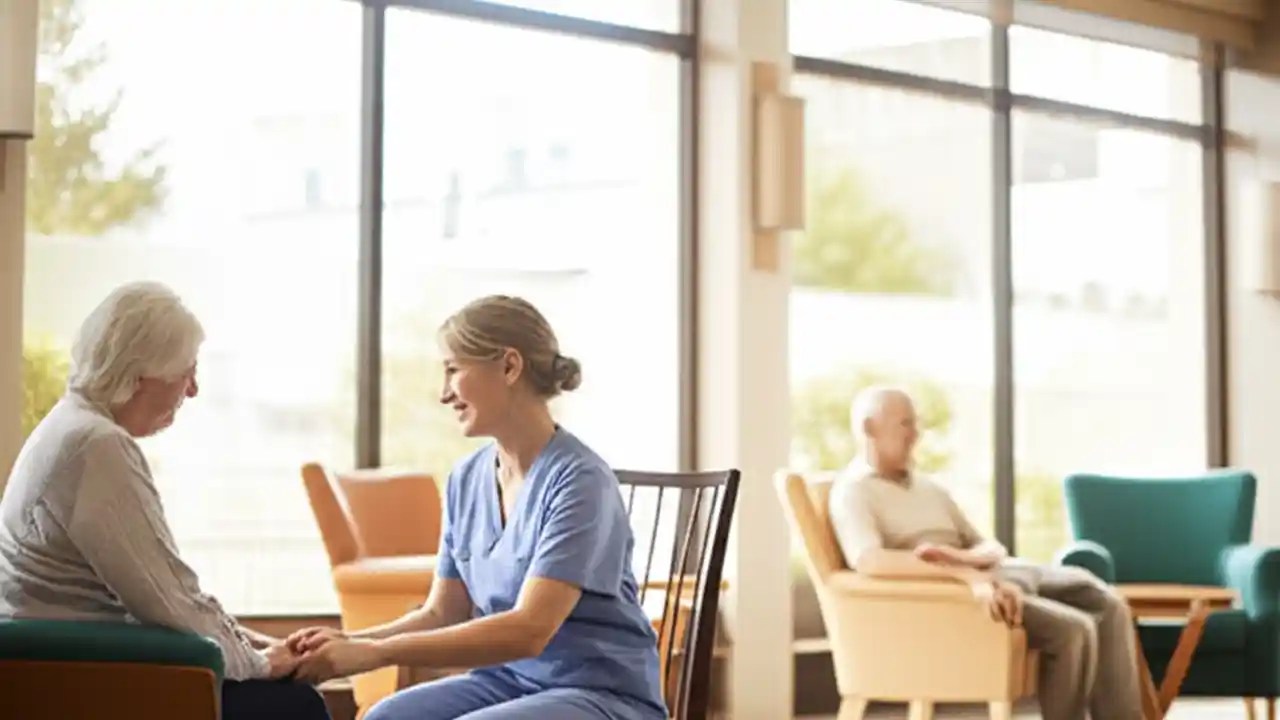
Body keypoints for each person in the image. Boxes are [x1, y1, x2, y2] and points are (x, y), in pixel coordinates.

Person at [287, 295, 666, 720]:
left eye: (453, 370)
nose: (443, 394)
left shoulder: (580, 481)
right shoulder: (466, 478)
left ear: (509, 366)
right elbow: (442, 612)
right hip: (507, 683)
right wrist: (348, 641)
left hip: (600, 693)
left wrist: (373, 653)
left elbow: (528, 631)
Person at [0, 281, 328, 720]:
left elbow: (167, 595)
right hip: (88, 677)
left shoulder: (71, 426)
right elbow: (167, 600)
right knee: (296, 706)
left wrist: (256, 646)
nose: (192, 390)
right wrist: (263, 663)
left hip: (66, 663)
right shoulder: (97, 446)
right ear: (140, 376)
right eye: (186, 372)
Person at [828, 385, 1143, 720]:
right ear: (869, 428)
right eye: (905, 424)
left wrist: (971, 559)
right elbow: (871, 561)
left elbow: (985, 542)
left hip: (996, 572)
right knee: (1074, 630)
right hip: (959, 596)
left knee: (1108, 603)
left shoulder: (927, 487)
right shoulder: (854, 491)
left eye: (915, 424)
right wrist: (965, 574)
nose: (915, 435)